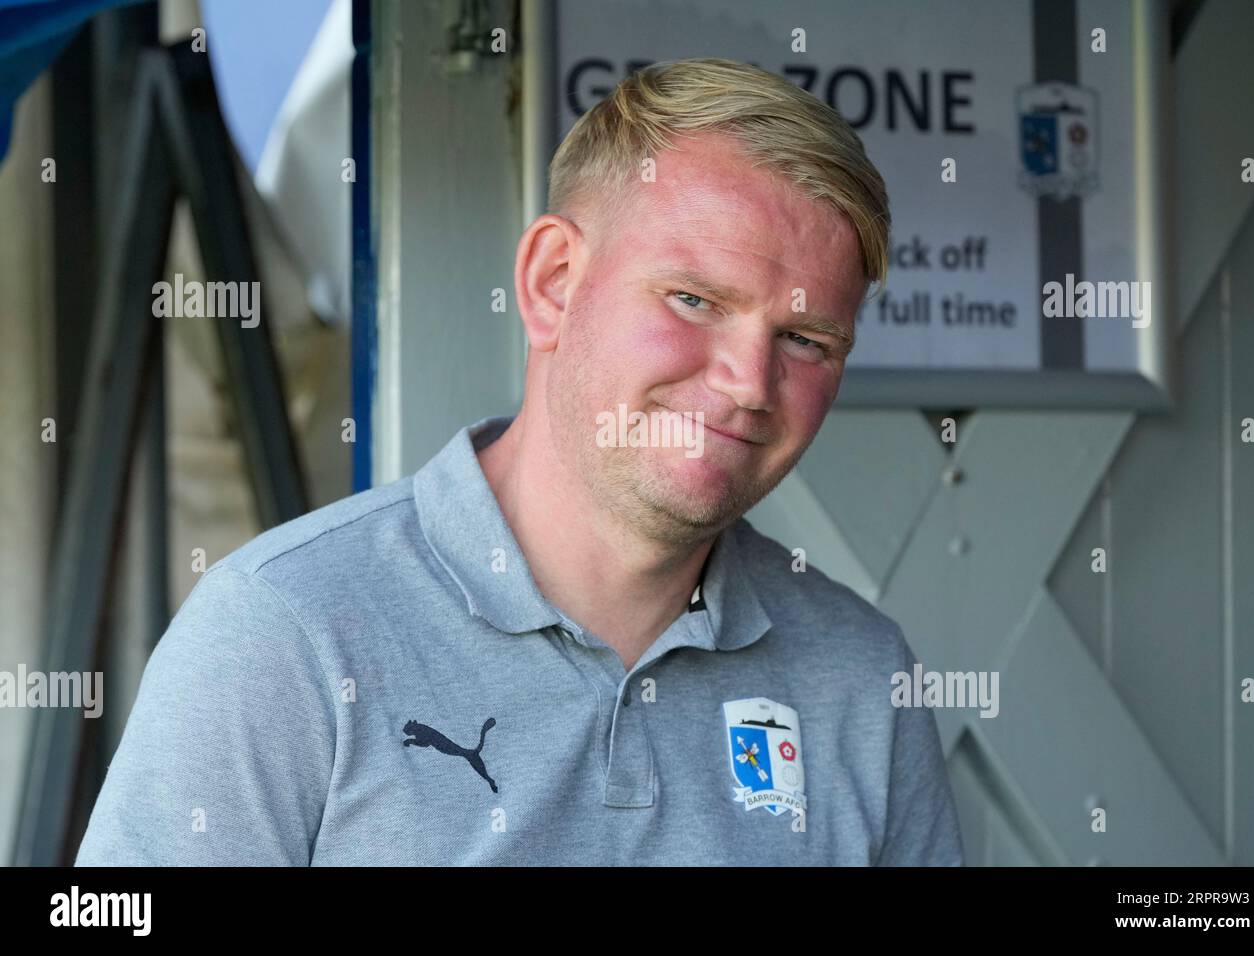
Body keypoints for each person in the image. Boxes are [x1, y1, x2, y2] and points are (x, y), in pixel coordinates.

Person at [77, 57, 964, 866]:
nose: (747, 383)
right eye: (694, 299)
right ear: (552, 283)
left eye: (806, 339)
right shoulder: (282, 634)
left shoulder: (860, 680)